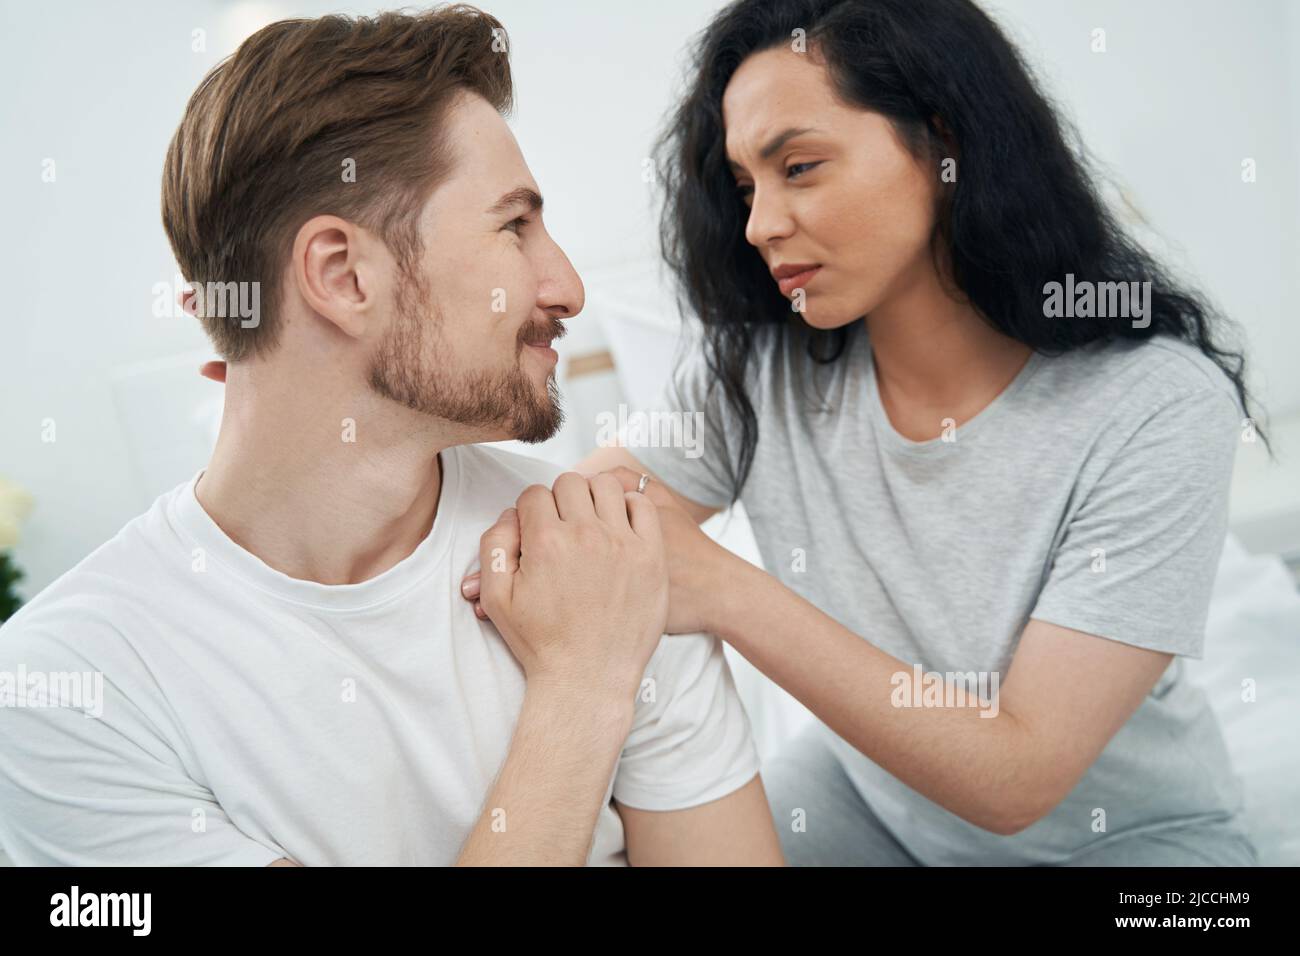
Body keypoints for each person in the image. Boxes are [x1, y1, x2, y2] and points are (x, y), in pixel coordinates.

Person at [464, 0, 1264, 866]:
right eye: (743, 187)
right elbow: (561, 523)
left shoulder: (1156, 404)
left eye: (799, 167)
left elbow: (1019, 778)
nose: (760, 224)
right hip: (870, 803)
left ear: (945, 143)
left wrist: (723, 589)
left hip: (1132, 847)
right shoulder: (760, 368)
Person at [0, 7, 783, 867]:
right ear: (341, 275)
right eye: (514, 226)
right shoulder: (68, 689)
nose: (566, 286)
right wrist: (584, 686)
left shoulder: (594, 550)